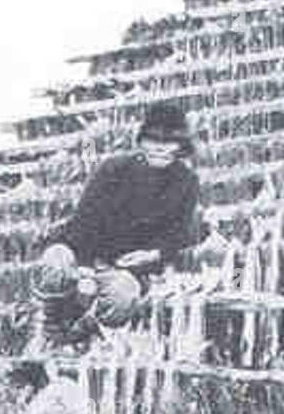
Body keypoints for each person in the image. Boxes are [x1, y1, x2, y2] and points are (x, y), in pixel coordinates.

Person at [26, 103, 202, 357]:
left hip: (121, 267)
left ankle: (81, 333)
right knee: (55, 264)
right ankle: (51, 321)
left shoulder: (186, 182)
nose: (160, 147)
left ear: (181, 147)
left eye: (169, 142)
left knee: (124, 298)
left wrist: (154, 254)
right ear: (142, 141)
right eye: (153, 139)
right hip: (79, 252)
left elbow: (180, 232)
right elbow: (85, 220)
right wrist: (84, 268)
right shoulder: (114, 169)